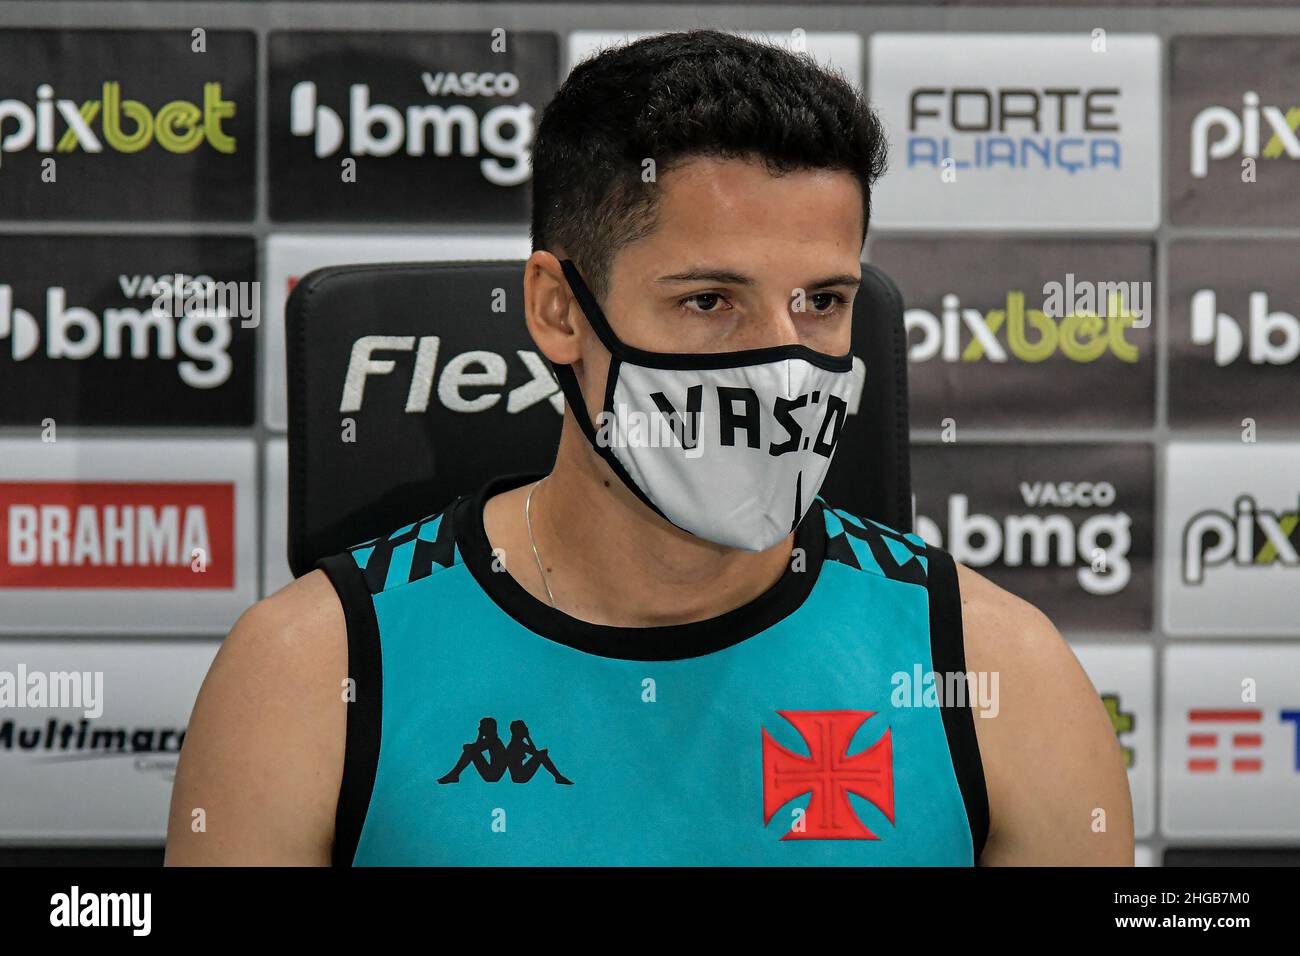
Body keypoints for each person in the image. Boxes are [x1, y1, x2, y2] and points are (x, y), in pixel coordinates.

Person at [165, 29, 1132, 866]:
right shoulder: (310, 671)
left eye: (823, 302)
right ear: (557, 310)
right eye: (709, 301)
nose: (782, 366)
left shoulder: (996, 672)